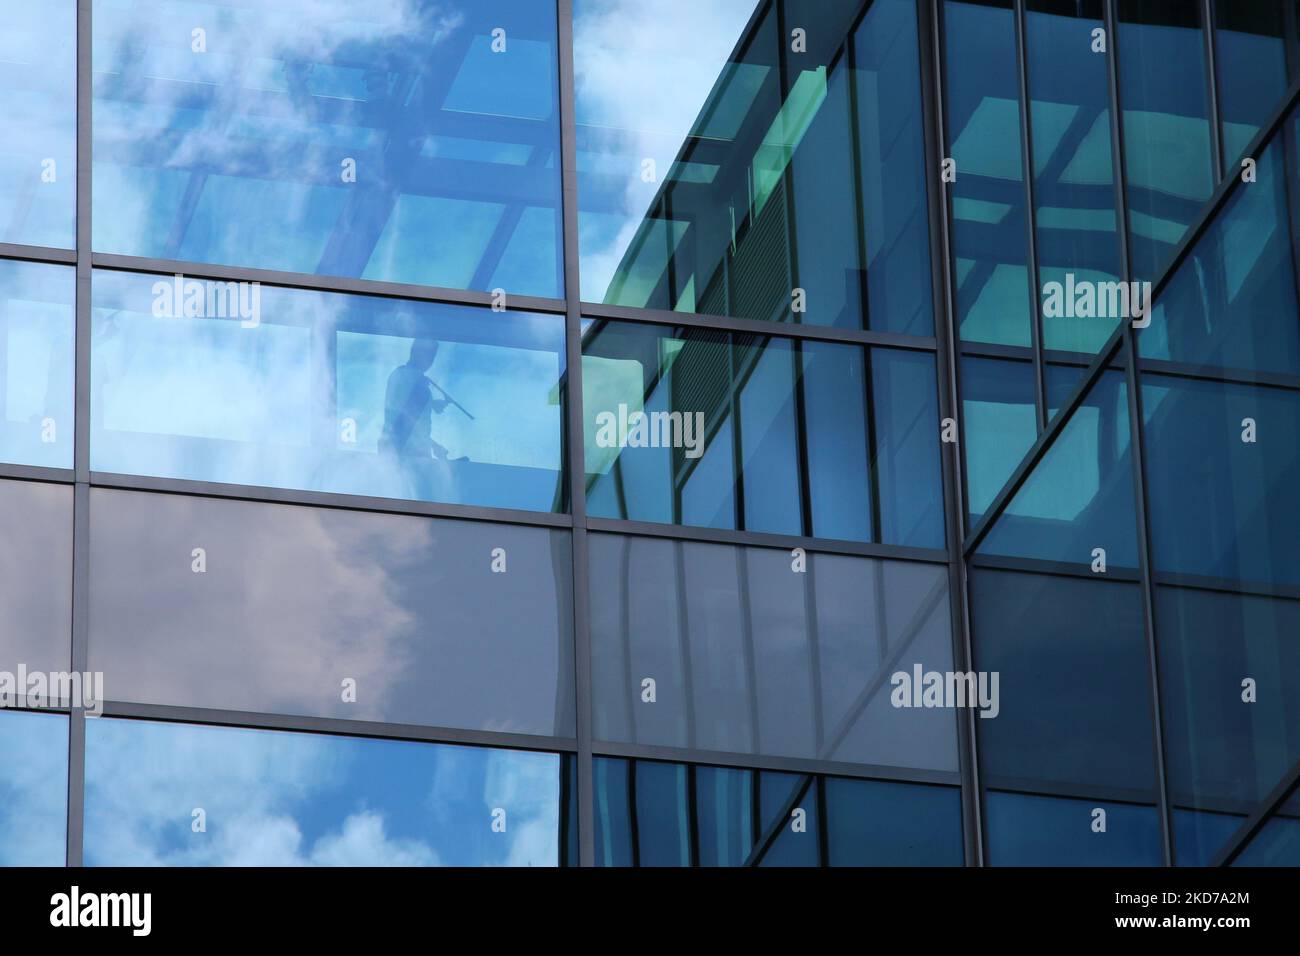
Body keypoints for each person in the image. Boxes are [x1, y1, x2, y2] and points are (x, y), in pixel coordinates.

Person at [379, 338, 450, 497]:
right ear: (415, 352)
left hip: (406, 455)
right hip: (407, 458)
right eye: (429, 354)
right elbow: (403, 422)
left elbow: (408, 421)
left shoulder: (404, 376)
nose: (430, 360)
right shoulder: (411, 379)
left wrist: (431, 404)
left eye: (433, 356)